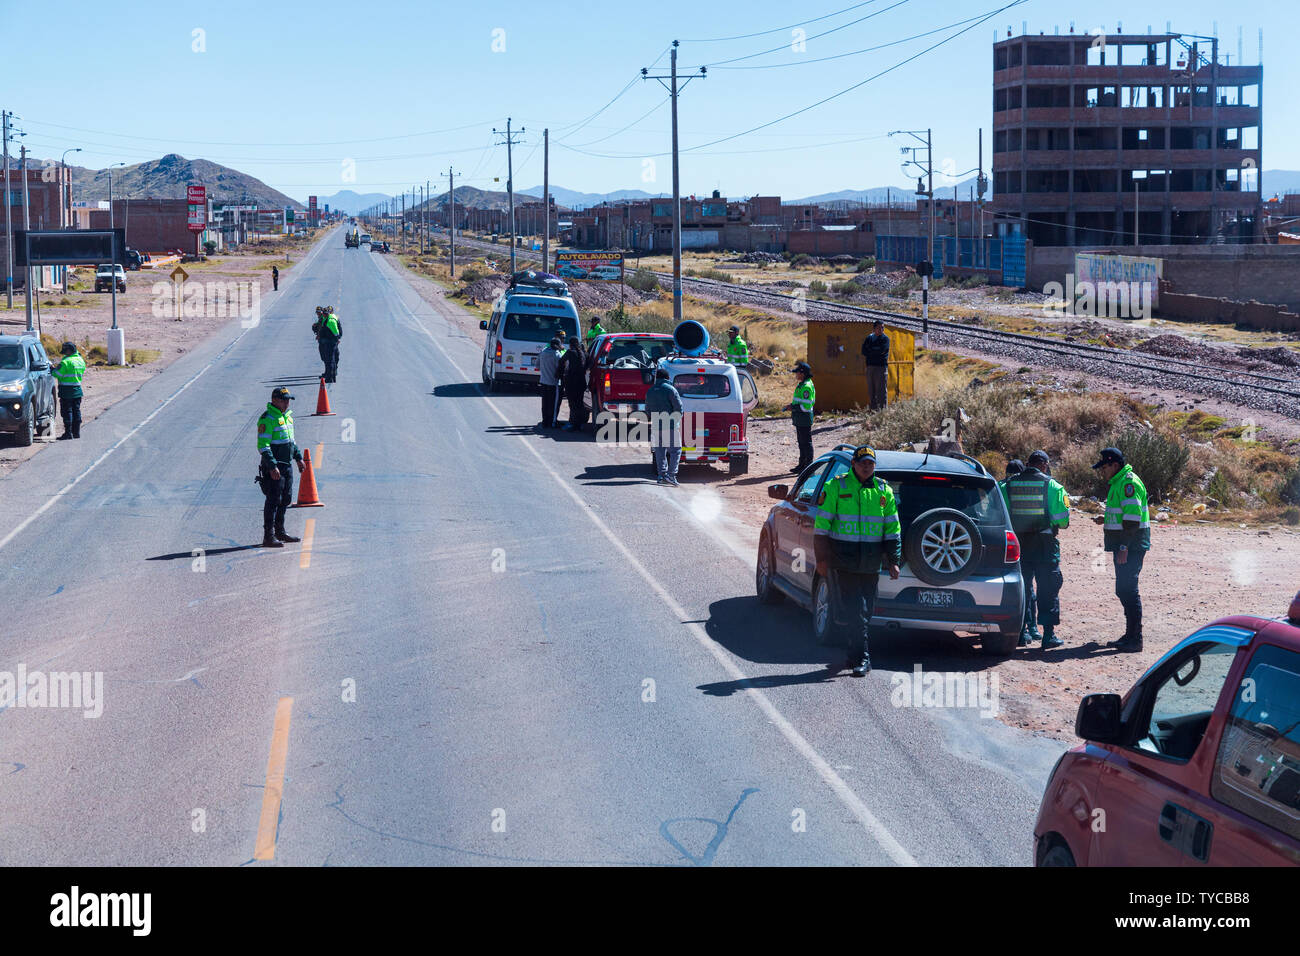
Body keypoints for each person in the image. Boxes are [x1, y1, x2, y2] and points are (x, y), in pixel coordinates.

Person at [813, 445, 901, 676]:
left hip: (871, 564)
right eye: (862, 462)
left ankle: (853, 652)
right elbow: (821, 526)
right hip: (845, 561)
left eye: (870, 463)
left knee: (865, 611)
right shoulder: (837, 486)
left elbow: (892, 529)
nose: (866, 466)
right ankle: (864, 658)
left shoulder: (884, 491)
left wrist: (893, 560)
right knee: (856, 609)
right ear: (853, 463)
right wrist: (821, 558)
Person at [1005, 450, 1070, 649]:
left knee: (1021, 589)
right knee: (1048, 588)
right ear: (1044, 464)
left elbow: (1002, 515)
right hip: (1044, 546)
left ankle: (1021, 633)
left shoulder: (1007, 485)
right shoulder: (1053, 486)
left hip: (1018, 545)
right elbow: (1063, 520)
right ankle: (1048, 636)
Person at [1094, 447, 1150, 652]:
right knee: (1124, 589)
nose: (1102, 471)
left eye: (1104, 467)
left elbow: (1133, 519)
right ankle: (1130, 635)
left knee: (1128, 589)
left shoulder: (1128, 483)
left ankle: (1135, 639)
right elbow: (1123, 514)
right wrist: (1105, 519)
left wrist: (1124, 546)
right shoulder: (1119, 482)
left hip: (1131, 545)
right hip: (1127, 544)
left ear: (1114, 465)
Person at [256, 386, 304, 549]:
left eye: (288, 400)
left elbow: (291, 441)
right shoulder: (267, 418)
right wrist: (272, 466)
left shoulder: (287, 417)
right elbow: (263, 445)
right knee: (273, 500)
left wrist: (298, 458)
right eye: (284, 400)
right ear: (275, 400)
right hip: (274, 467)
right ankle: (268, 536)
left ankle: (280, 531)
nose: (287, 403)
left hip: (286, 465)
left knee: (286, 498)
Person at [1000, 459, 1038, 642]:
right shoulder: (1026, 487)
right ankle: (1031, 627)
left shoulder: (1000, 486)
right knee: (1028, 586)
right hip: (1027, 540)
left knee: (1018, 586)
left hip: (1005, 541)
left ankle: (1022, 630)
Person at [644, 368, 683, 486]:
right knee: (676, 450)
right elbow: (679, 408)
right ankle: (671, 475)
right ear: (667, 378)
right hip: (669, 425)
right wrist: (675, 421)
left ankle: (661, 475)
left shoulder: (650, 391)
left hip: (656, 425)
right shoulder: (671, 390)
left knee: (660, 451)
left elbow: (647, 410)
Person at [784, 361, 815, 474]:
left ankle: (808, 466)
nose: (796, 374)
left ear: (802, 373)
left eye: (797, 372)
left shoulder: (806, 386)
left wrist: (793, 407)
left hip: (804, 417)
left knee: (806, 442)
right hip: (800, 418)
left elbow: (806, 406)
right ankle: (802, 465)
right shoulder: (802, 384)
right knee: (801, 442)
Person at [51, 341, 86, 440]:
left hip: (66, 391)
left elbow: (57, 374)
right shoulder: (80, 360)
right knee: (76, 411)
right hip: (77, 390)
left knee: (67, 412)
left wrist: (52, 370)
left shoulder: (66, 362)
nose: (64, 353)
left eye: (65, 351)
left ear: (69, 350)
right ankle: (76, 433)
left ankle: (68, 433)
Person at [559, 338, 589, 431]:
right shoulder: (585, 354)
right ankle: (579, 424)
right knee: (579, 403)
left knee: (572, 404)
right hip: (582, 382)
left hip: (571, 382)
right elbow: (589, 364)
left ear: (571, 344)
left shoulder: (570, 352)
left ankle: (573, 424)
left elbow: (561, 361)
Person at [861, 319, 890, 411]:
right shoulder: (869, 338)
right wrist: (874, 351)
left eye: (882, 328)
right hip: (870, 367)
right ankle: (873, 410)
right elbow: (864, 351)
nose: (881, 330)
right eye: (879, 328)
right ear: (874, 329)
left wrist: (871, 351)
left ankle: (882, 411)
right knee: (871, 390)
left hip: (881, 367)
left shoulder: (885, 339)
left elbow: (882, 351)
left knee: (881, 390)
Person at [538, 337, 563, 429]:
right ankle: (553, 422)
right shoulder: (557, 355)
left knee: (545, 402)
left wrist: (545, 371)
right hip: (554, 383)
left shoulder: (543, 352)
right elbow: (560, 369)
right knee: (554, 404)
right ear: (556, 345)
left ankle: (545, 421)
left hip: (543, 381)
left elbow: (537, 365)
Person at [315, 306, 342, 383]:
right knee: (328, 360)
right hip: (327, 342)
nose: (321, 314)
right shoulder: (325, 319)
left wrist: (337, 339)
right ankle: (330, 375)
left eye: (324, 313)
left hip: (330, 342)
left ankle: (331, 377)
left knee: (331, 360)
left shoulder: (330, 321)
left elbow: (336, 332)